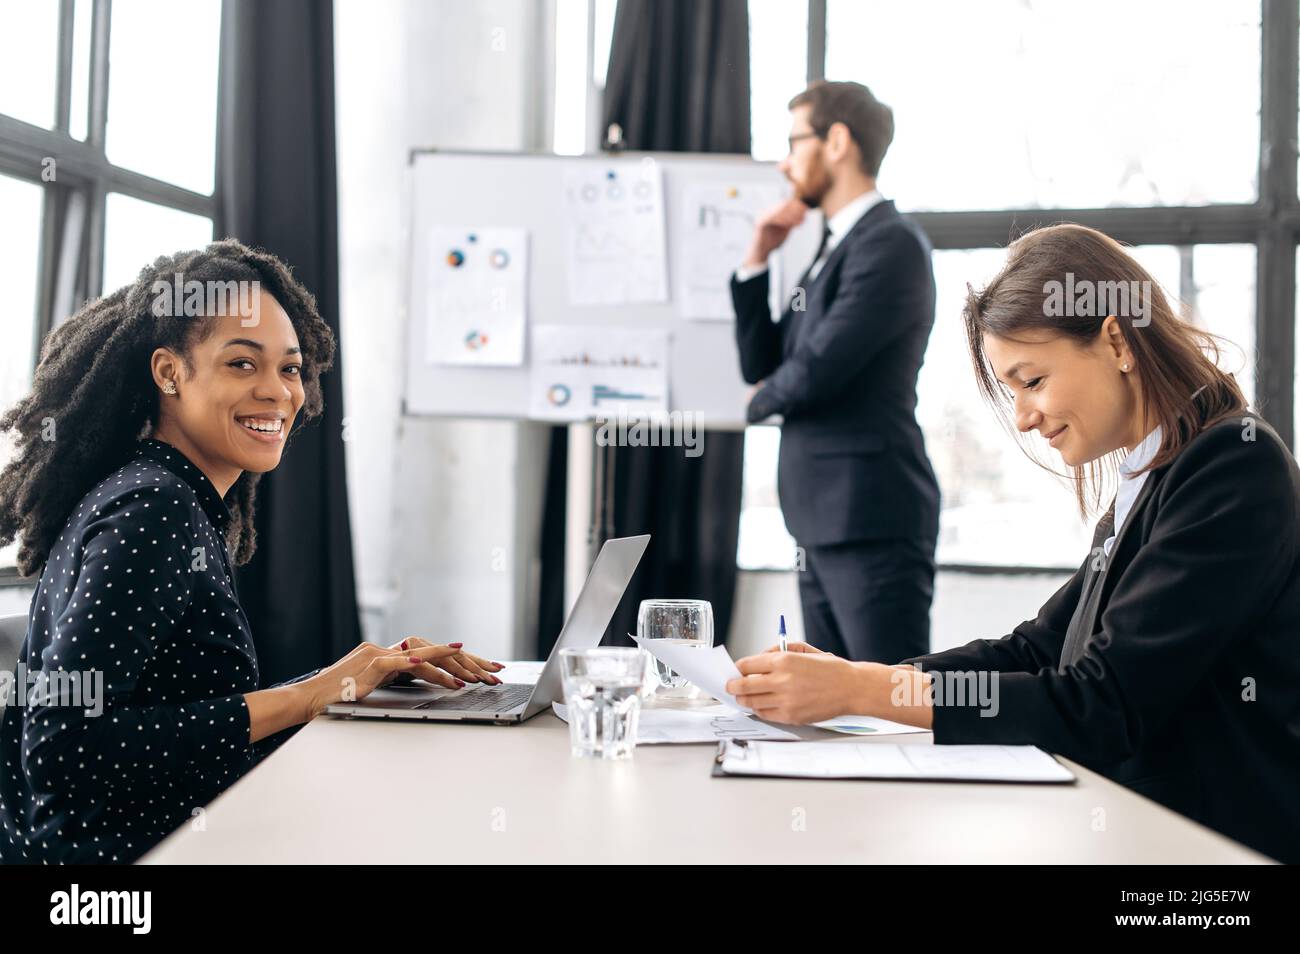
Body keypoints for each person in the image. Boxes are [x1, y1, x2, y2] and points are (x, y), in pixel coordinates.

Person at [726, 224, 1300, 864]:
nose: (1024, 417)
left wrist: (861, 692)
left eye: (1032, 381)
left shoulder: (1231, 469)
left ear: (1116, 339)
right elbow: (1036, 649)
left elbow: (1101, 704)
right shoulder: (1154, 472)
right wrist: (860, 679)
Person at [0, 240, 502, 864]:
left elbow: (173, 711)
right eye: (242, 364)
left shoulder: (163, 494)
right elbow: (59, 749)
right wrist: (314, 694)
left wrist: (353, 676)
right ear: (169, 373)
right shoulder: (155, 510)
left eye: (290, 368)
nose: (277, 392)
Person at [731, 79, 939, 663]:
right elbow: (765, 362)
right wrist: (757, 258)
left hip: (870, 516)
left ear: (837, 141)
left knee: (886, 703)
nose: (784, 161)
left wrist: (754, 403)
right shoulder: (833, 249)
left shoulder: (889, 244)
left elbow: (819, 368)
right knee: (833, 706)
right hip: (824, 519)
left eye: (795, 141)